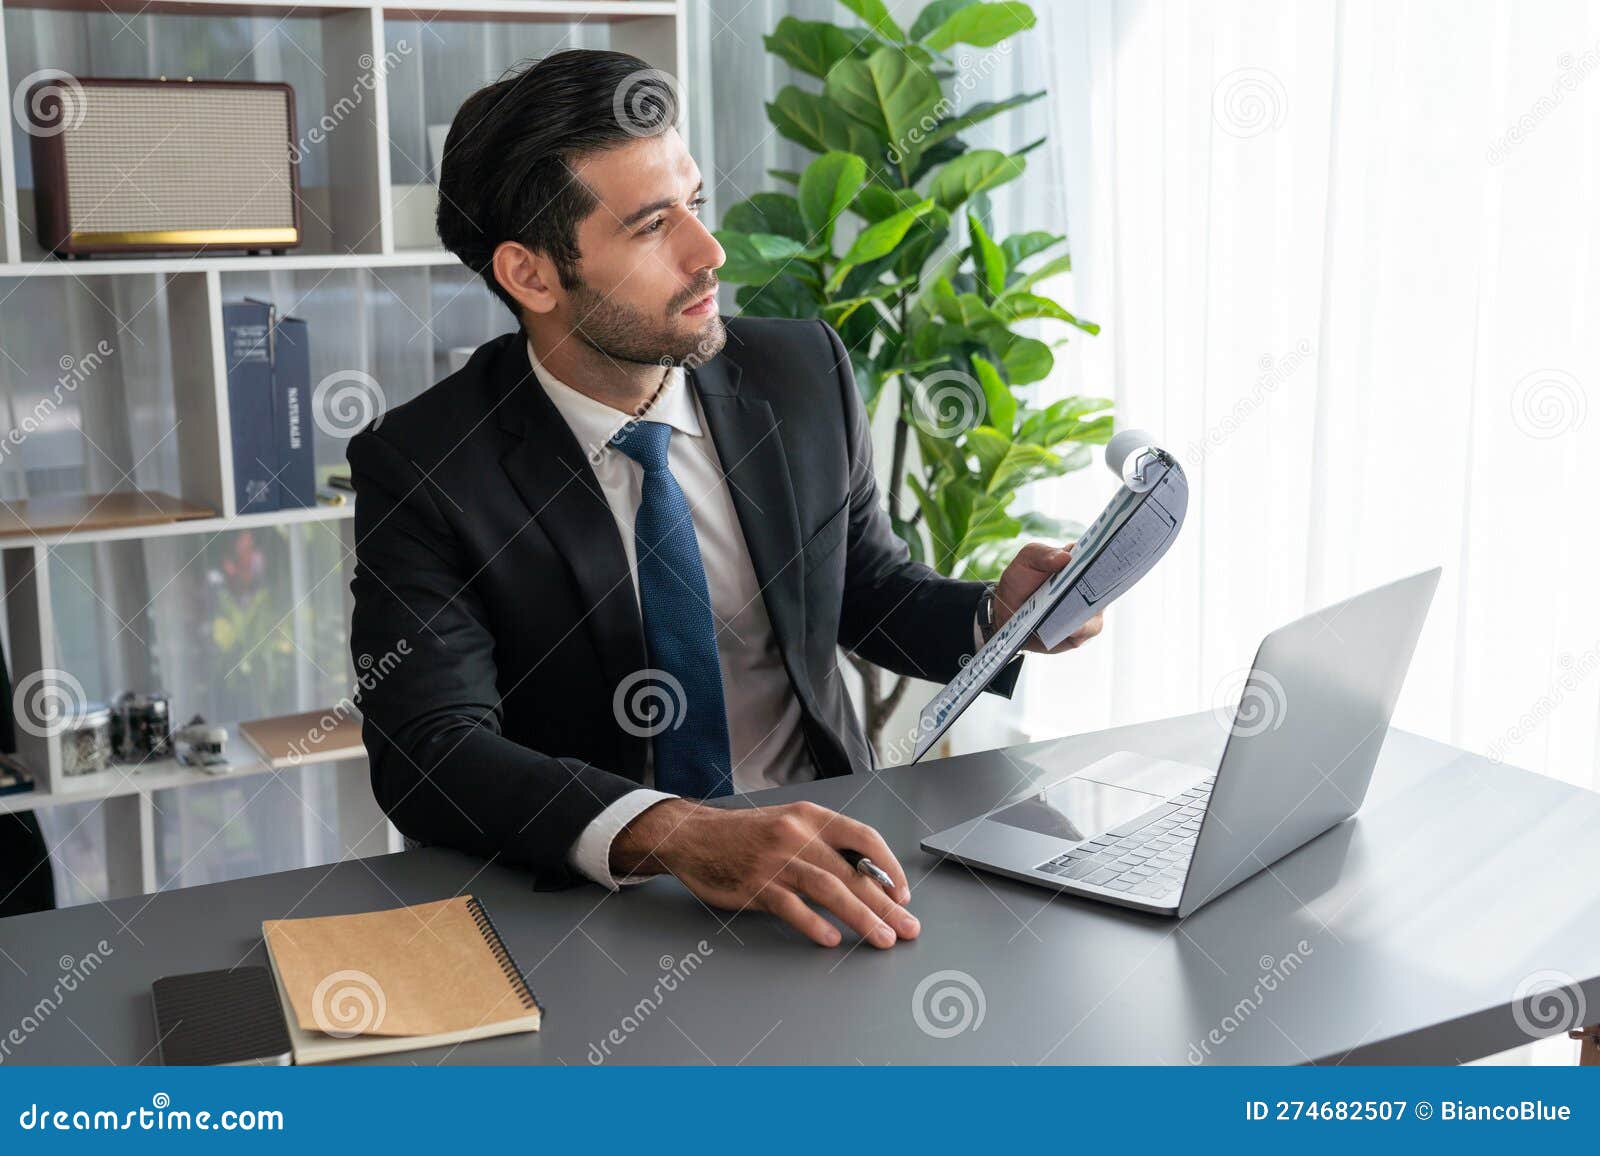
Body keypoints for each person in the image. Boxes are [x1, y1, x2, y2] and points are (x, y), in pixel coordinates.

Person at [348, 49, 1103, 951]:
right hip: (601, 910)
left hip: (834, 872)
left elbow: (865, 590)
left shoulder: (799, 372)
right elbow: (431, 753)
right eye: (652, 225)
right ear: (533, 276)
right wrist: (676, 833)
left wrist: (996, 615)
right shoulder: (427, 464)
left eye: (695, 204)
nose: (709, 253)